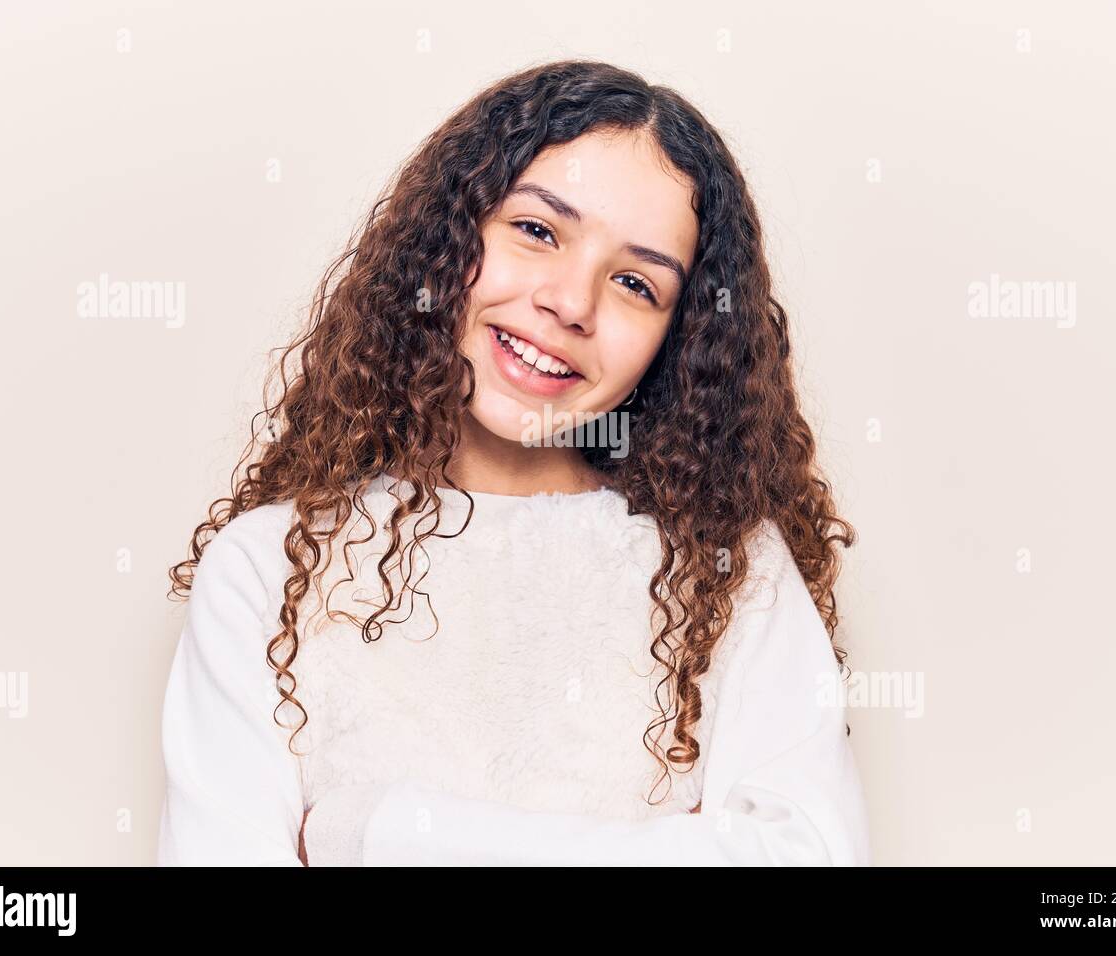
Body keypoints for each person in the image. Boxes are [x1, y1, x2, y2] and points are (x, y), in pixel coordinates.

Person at [157, 59, 869, 866]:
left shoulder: (729, 574)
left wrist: (380, 832)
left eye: (636, 283)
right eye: (537, 231)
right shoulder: (266, 571)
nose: (570, 302)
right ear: (450, 237)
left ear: (679, 341)